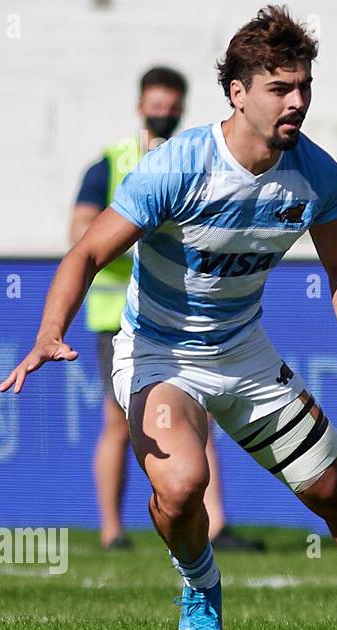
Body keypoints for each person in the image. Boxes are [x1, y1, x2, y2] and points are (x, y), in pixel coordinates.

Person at [0, 6, 337, 630]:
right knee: (182, 485)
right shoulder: (177, 168)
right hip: (160, 352)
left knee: (334, 492)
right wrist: (48, 331)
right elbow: (86, 253)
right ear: (237, 94)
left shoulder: (315, 173)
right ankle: (199, 582)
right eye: (279, 88)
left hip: (244, 354)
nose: (296, 101)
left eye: (303, 87)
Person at [71, 67, 260, 552]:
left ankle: (214, 525)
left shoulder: (192, 159)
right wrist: (151, 248)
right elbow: (81, 236)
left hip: (182, 313)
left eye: (173, 105)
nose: (164, 112)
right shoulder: (111, 164)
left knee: (200, 415)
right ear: (140, 105)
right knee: (119, 424)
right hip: (122, 319)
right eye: (156, 104)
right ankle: (112, 531)